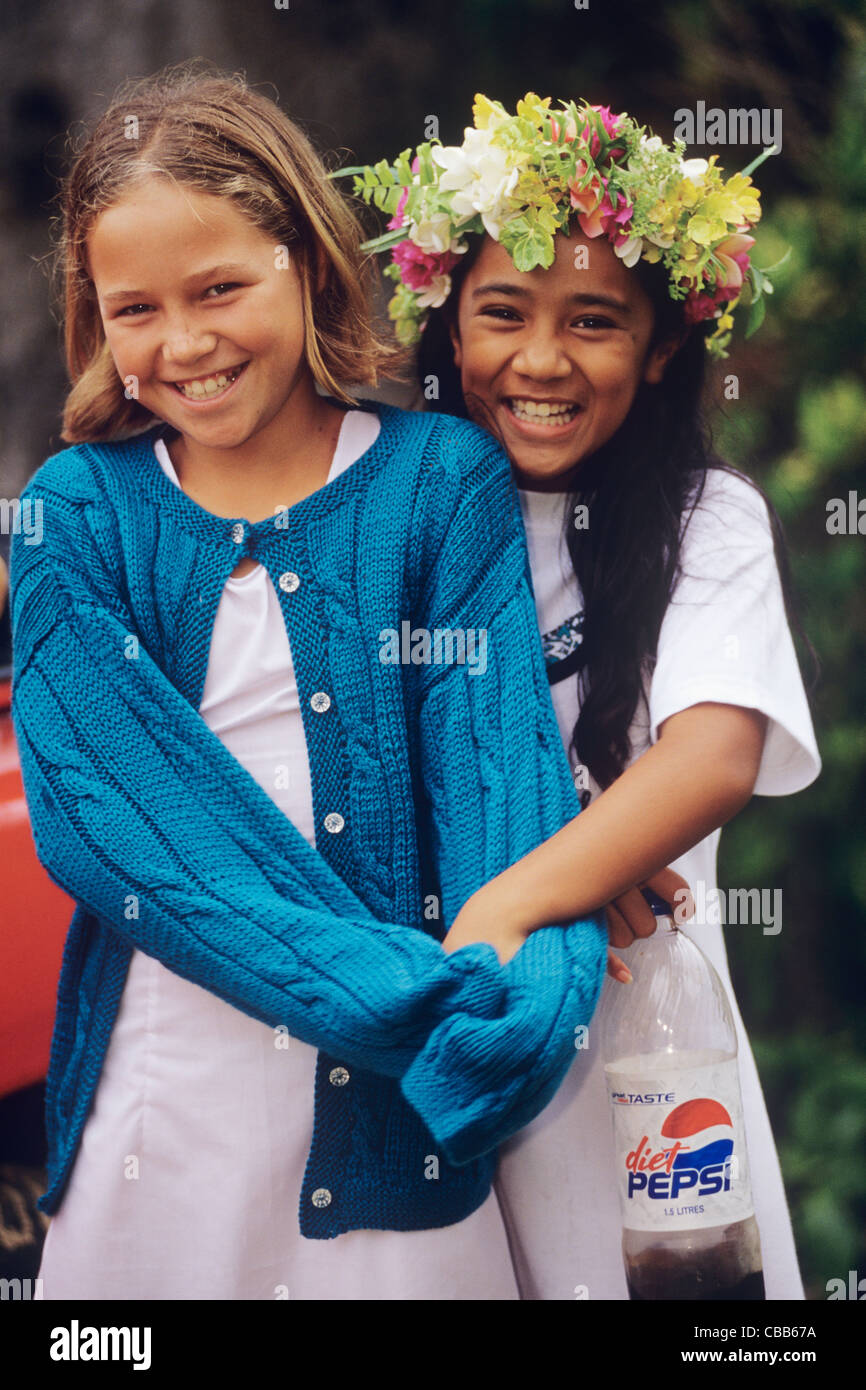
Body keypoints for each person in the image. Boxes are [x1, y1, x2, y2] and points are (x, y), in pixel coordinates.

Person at [9, 66, 612, 1301]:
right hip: (170, 1096)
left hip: (404, 1112)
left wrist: (522, 1007)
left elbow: (499, 775)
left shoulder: (439, 482)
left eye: (220, 286)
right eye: (135, 309)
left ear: (306, 261)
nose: (183, 342)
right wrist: (414, 1002)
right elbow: (118, 824)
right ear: (95, 319)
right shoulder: (78, 511)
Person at [349, 93, 821, 1299]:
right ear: (449, 325)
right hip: (452, 1031)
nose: (541, 360)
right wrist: (588, 856)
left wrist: (512, 896)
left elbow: (709, 758)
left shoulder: (705, 525)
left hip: (646, 1056)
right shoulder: (391, 515)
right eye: (501, 312)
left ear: (661, 346)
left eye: (594, 321)